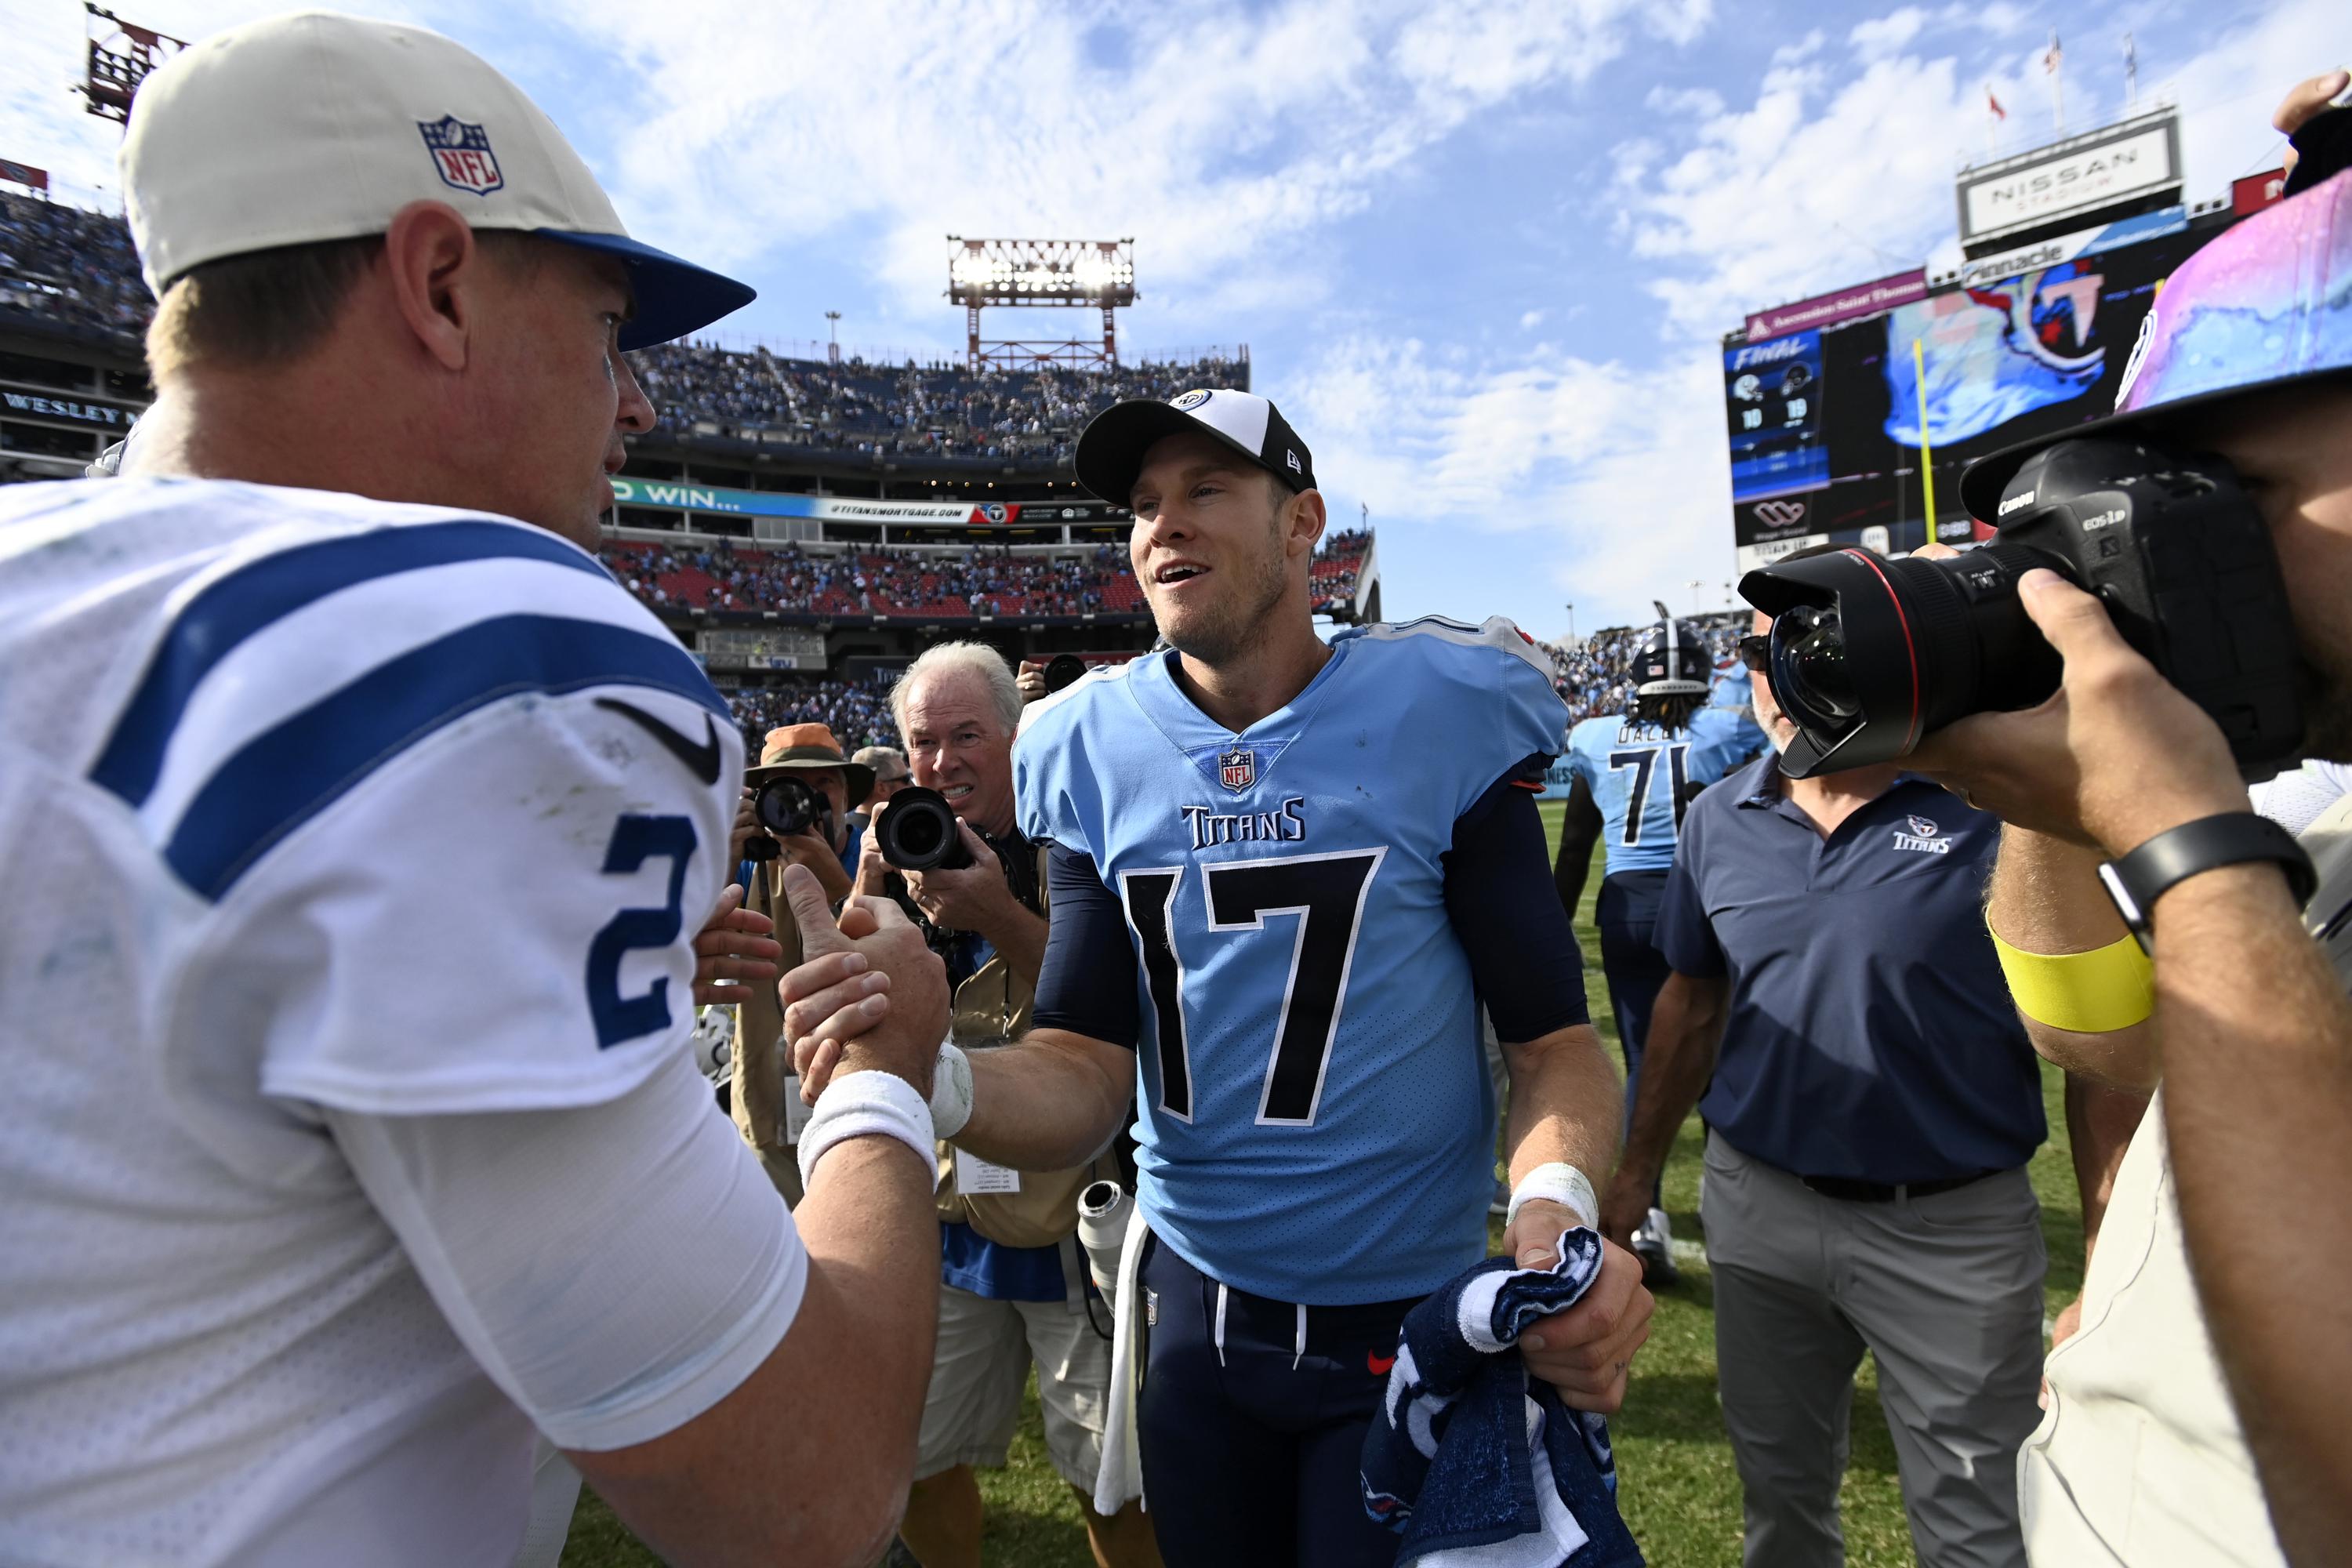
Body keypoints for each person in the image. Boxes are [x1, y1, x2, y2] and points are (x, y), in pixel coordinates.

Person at [0, 14, 949, 1565]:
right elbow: (805, 1492)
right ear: (441, 284)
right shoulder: (491, 648)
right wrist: (883, 1076)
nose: (636, 399)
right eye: (601, 325)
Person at [786, 387, 1651, 1567]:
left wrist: (1550, 1217)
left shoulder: (1436, 704)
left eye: (1206, 490)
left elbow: (1554, 1046)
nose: (1163, 526)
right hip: (1195, 1317)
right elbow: (1085, 1067)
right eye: (1143, 504)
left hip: (1402, 1315)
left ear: (1303, 525)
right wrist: (927, 1076)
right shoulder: (1088, 742)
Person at [1907, 151, 2352, 1568]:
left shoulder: (2239, 838)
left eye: (2226, 488)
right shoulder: (2323, 819)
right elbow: (2093, 1035)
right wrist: (2065, 804)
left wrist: (2191, 844)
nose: (2156, 554)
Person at [1598, 568, 2136, 1568]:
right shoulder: (1720, 815)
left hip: (1951, 1224)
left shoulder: (1998, 803)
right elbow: (1690, 1006)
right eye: (1758, 654)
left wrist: (2105, 1247)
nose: (1776, 676)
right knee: (1781, 1500)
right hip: (1758, 1205)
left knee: (1977, 1526)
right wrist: (1635, 1176)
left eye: (1809, 647)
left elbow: (2103, 1053)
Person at [849, 642, 1156, 1568]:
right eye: (924, 742)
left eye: (967, 736)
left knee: (1112, 1473)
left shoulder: (1078, 840)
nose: (942, 764)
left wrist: (995, 910)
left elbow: (1118, 1018)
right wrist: (869, 891)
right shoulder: (900, 846)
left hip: (1076, 1218)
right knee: (910, 1454)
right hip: (948, 1216)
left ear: (1019, 738)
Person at [1551, 609, 1758, 1285]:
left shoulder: (1595, 734)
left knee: (1647, 1055)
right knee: (1719, 1052)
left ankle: (1647, 1215)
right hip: (1698, 900)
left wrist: (1553, 933)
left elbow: (1577, 846)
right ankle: (1734, 1206)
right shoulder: (1723, 729)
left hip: (1624, 908)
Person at [728, 723, 876, 1203]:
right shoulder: (749, 863)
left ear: (843, 794)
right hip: (772, 1100)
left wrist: (837, 884)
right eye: (789, 789)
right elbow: (687, 954)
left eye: (823, 786)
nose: (806, 803)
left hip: (864, 1093)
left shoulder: (874, 859)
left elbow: (900, 961)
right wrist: (720, 858)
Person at [851, 743, 912, 832]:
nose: (911, 785)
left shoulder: (846, 831)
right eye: (906, 779)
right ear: (881, 788)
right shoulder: (879, 838)